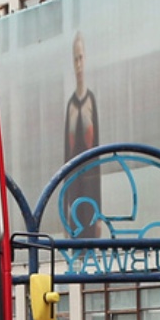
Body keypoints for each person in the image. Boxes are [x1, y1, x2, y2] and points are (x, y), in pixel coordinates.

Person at [63, 31, 101, 237]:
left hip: (90, 187)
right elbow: (65, 158)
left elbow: (98, 155)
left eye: (80, 58)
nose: (78, 65)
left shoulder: (90, 102)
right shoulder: (70, 105)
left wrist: (99, 213)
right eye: (74, 59)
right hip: (74, 189)